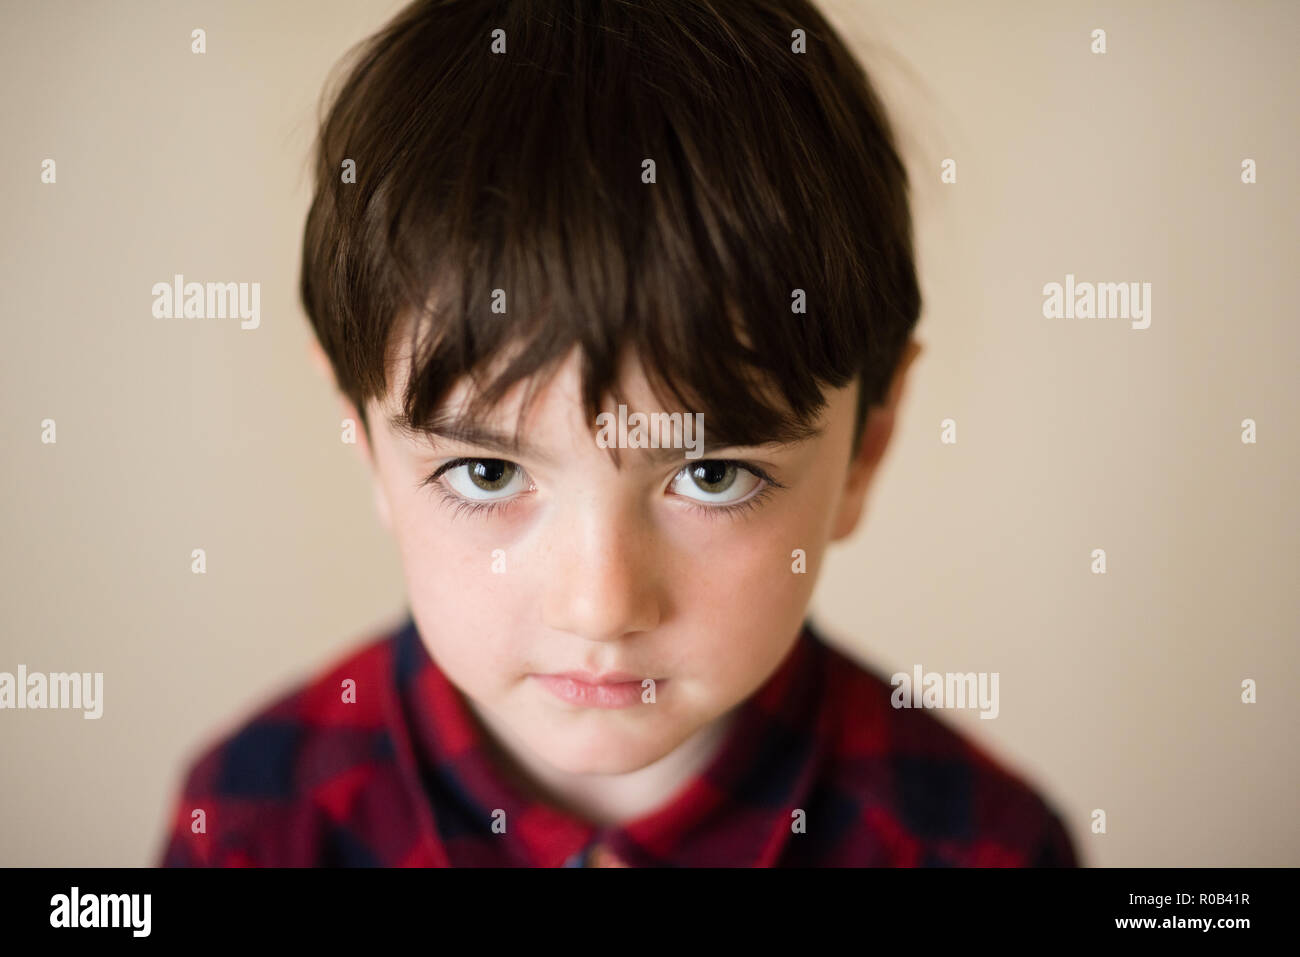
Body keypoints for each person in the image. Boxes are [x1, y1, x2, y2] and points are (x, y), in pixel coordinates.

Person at [159, 0, 1077, 867]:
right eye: (485, 471)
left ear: (866, 449)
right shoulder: (251, 827)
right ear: (361, 437)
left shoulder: (978, 845)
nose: (600, 606)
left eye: (714, 475)